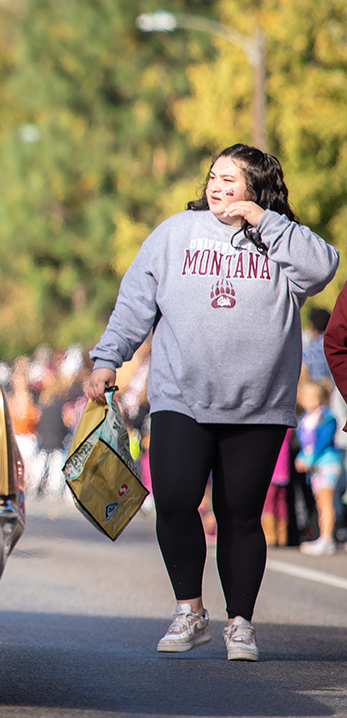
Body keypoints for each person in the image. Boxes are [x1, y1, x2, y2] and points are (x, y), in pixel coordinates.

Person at [84, 143, 338, 663]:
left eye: (231, 179)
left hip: (257, 403)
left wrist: (261, 220)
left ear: (256, 188)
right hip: (181, 397)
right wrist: (108, 358)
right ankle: (190, 611)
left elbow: (322, 270)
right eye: (213, 176)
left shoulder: (280, 239)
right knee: (174, 501)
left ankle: (240, 624)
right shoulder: (176, 233)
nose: (217, 186)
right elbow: (135, 300)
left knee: (239, 514)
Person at [296, 380, 342, 555]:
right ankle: (323, 535)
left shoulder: (327, 417)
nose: (309, 401)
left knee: (326, 502)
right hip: (314, 467)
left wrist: (308, 459)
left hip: (327, 463)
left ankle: (327, 538)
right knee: (319, 502)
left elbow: (323, 442)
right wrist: (302, 458)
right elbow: (304, 444)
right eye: (305, 398)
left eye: (313, 397)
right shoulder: (304, 419)